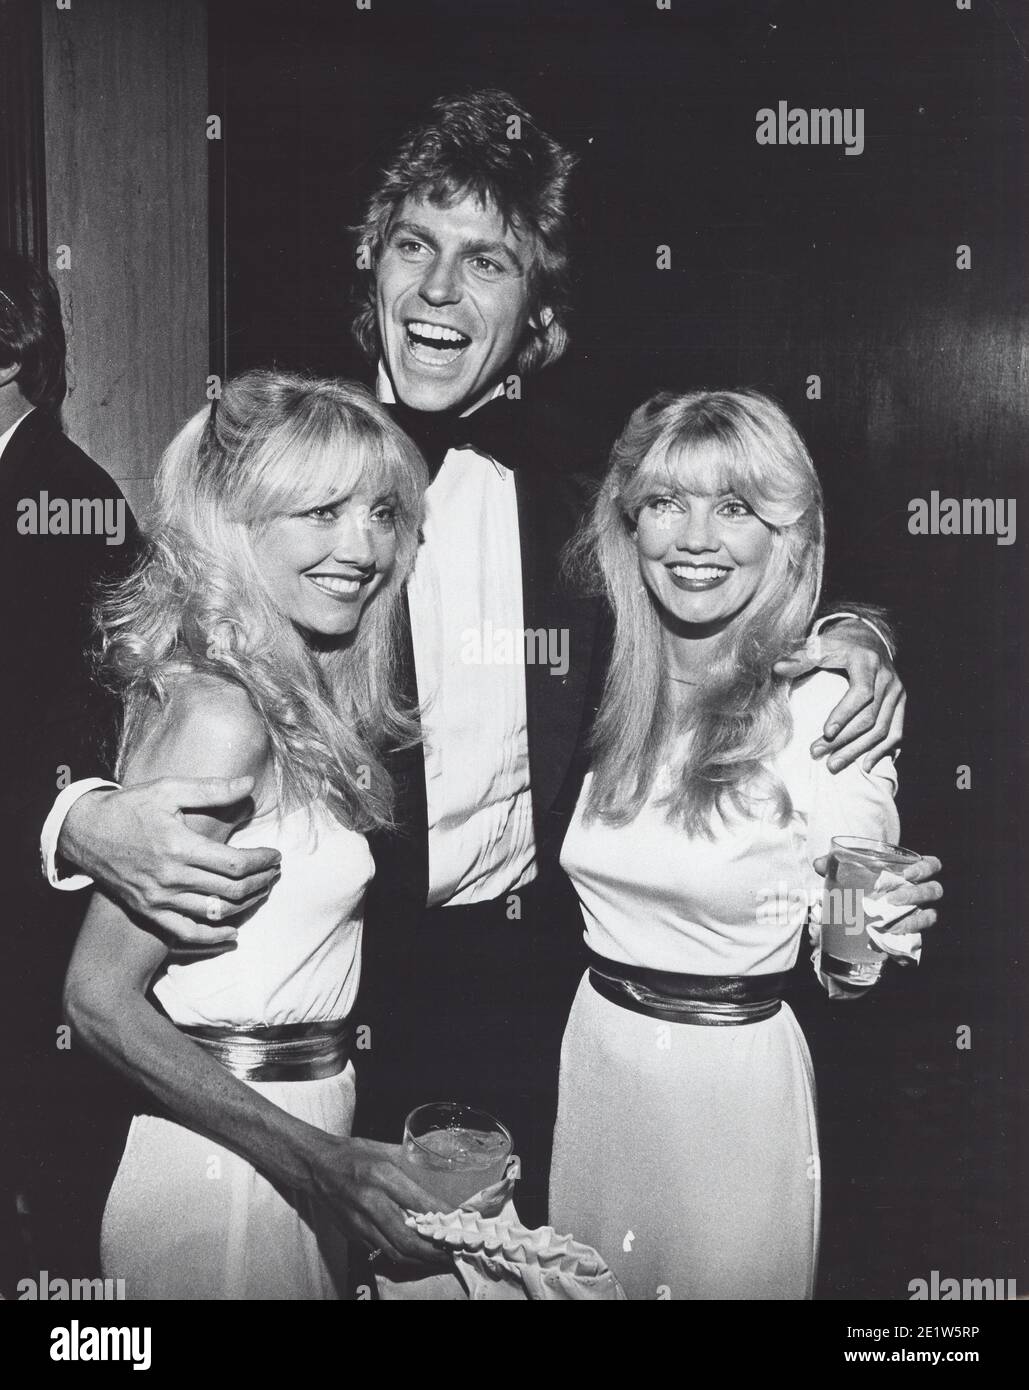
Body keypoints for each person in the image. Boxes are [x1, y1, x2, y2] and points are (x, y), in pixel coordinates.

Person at [41, 91, 905, 1237]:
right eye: (415, 248)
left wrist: (859, 638)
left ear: (536, 313)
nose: (440, 291)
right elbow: (95, 679)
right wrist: (79, 817)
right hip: (337, 981)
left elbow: (721, 573)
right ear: (375, 275)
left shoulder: (579, 499)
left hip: (538, 989)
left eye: (487, 261)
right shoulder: (281, 474)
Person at [548, 389, 943, 1300]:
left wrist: (874, 923)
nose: (694, 538)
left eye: (735, 508)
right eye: (664, 503)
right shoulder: (594, 683)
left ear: (784, 536)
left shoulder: (822, 705)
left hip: (731, 1096)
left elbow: (849, 950)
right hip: (592, 1061)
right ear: (628, 524)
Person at [62, 371, 446, 1298]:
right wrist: (314, 1159)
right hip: (221, 1170)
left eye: (383, 513)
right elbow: (97, 999)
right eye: (320, 512)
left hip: (295, 1131)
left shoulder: (295, 694)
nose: (362, 546)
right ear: (235, 523)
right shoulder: (220, 714)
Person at [0, 250, 139, 1294]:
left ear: (10, 347)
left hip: (32, 935)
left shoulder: (72, 500)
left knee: (61, 1229)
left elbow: (74, 748)